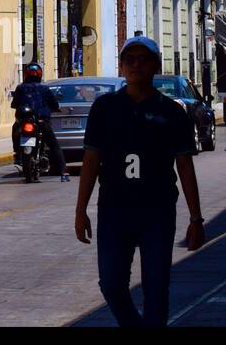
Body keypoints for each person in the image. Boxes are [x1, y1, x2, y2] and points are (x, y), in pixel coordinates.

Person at [74, 35, 205, 327]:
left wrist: (196, 218)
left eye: (142, 59)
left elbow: (185, 166)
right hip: (114, 210)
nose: (135, 65)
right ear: (121, 67)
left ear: (155, 66)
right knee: (110, 283)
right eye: (129, 59)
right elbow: (91, 161)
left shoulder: (171, 112)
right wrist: (80, 209)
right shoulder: (105, 108)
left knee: (156, 286)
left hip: (157, 212)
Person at [10, 62, 69, 181]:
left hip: (23, 121)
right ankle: (64, 173)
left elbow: (14, 104)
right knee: (54, 146)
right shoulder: (45, 88)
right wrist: (56, 108)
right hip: (42, 121)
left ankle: (18, 155)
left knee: (15, 131)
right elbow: (54, 104)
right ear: (40, 75)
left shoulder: (21, 88)